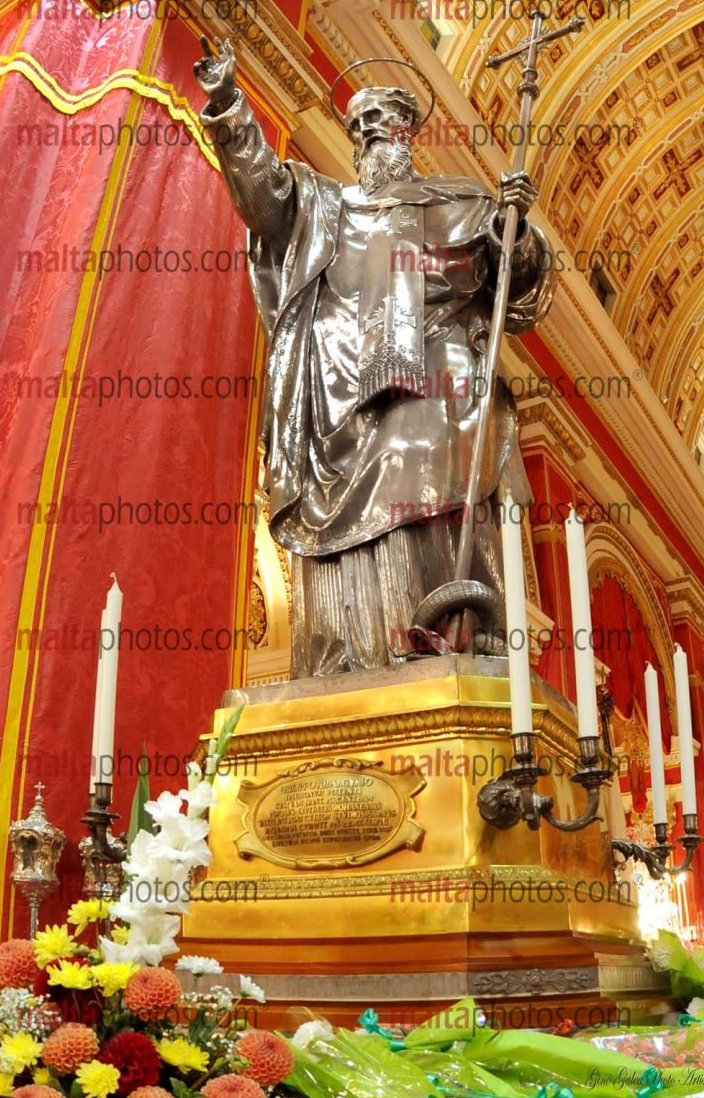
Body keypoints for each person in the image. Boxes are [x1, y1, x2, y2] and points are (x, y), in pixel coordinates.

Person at [194, 38, 556, 678]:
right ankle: (354, 656)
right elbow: (262, 197)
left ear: (405, 137)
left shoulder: (461, 201)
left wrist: (515, 230)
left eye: (381, 131)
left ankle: (443, 637)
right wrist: (228, 107)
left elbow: (514, 286)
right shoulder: (325, 206)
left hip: (437, 380)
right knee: (349, 516)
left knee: (421, 469)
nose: (370, 145)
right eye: (360, 134)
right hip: (339, 392)